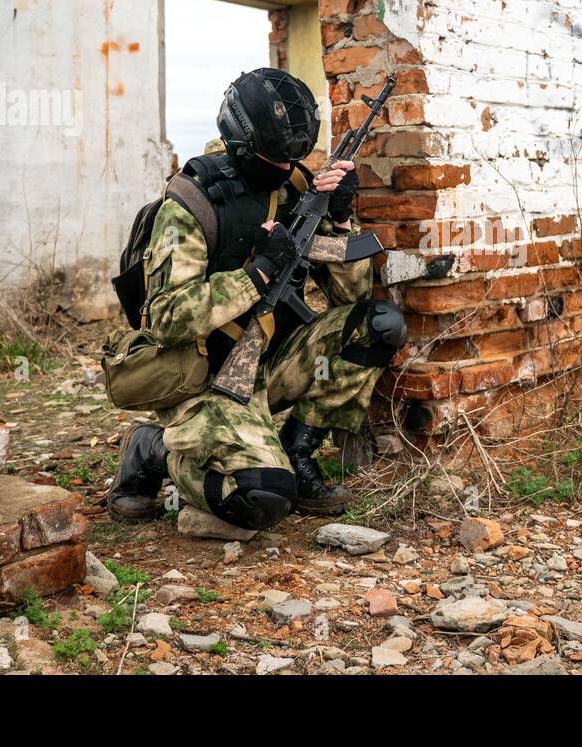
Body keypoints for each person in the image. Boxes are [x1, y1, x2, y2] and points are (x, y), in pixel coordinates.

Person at [105, 68, 406, 530]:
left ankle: (297, 453)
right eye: (276, 159)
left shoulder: (296, 190)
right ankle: (152, 449)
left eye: (294, 159)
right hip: (207, 375)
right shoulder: (192, 202)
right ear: (242, 144)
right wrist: (257, 273)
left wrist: (342, 219)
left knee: (378, 323)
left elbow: (352, 296)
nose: (286, 170)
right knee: (260, 498)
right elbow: (166, 318)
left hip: (272, 362)